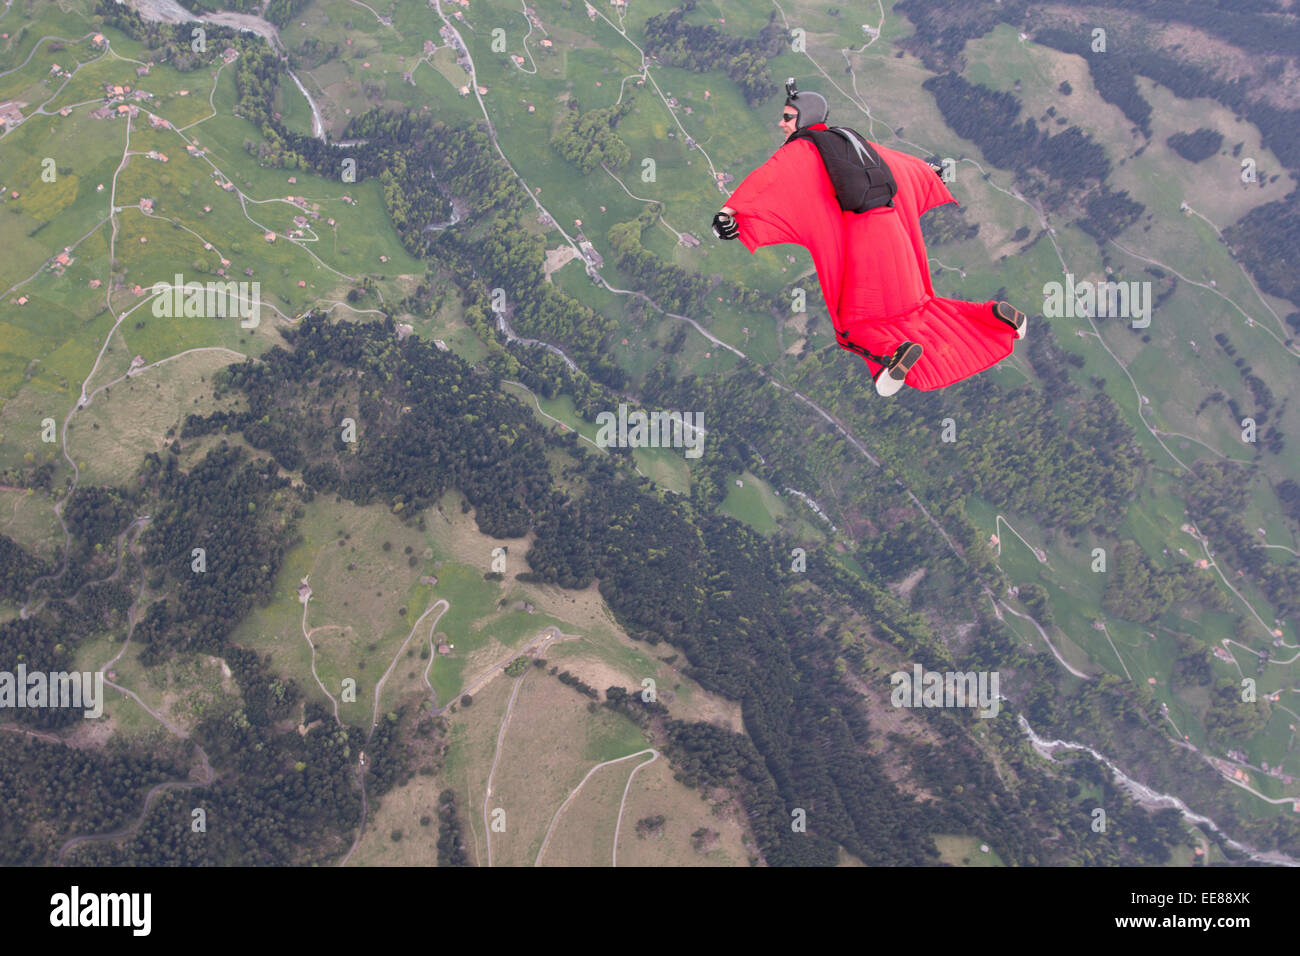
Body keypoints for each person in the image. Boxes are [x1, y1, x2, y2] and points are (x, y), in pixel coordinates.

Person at [713, 82, 1026, 396]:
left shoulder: (801, 149)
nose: (782, 123)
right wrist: (929, 172)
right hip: (897, 238)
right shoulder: (854, 140)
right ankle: (992, 316)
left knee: (854, 327)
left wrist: (729, 214)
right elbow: (900, 164)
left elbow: (767, 181)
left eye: (788, 117)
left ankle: (893, 359)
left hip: (862, 250)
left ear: (805, 119)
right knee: (922, 307)